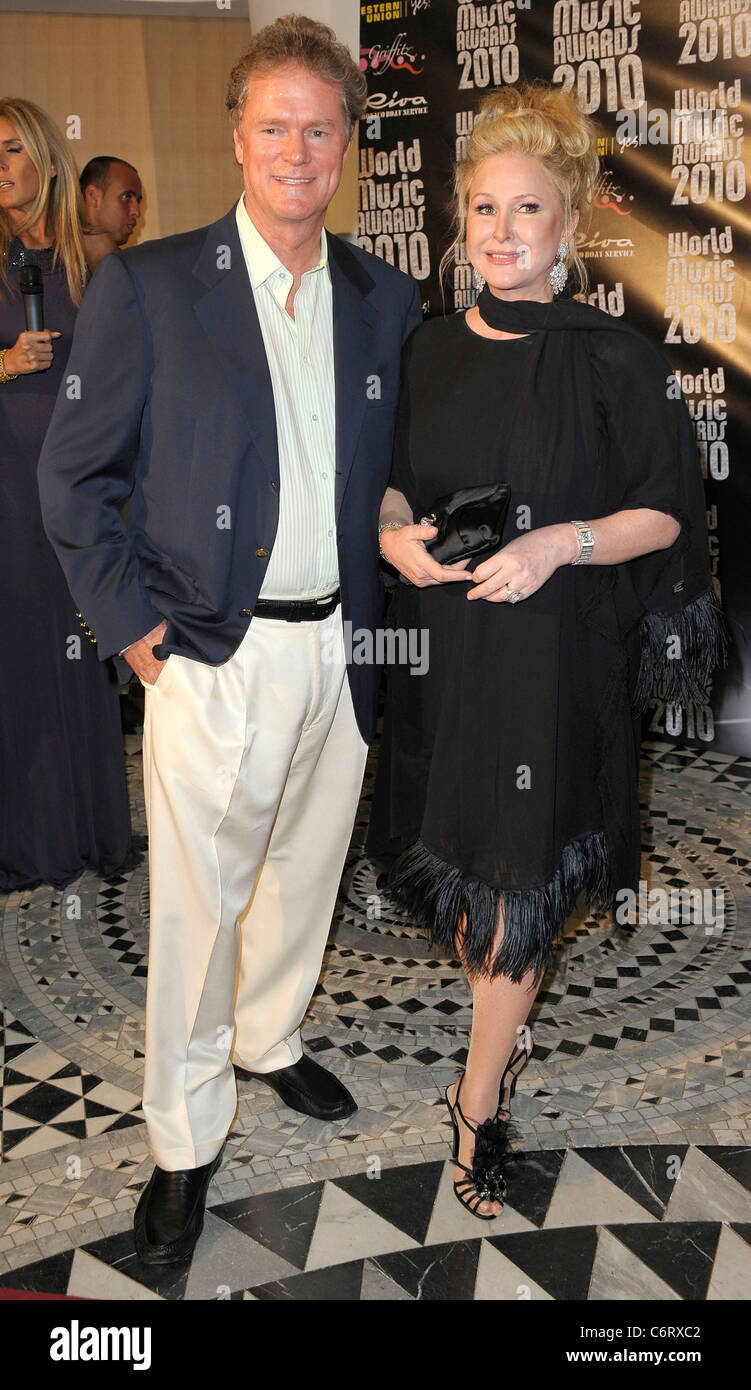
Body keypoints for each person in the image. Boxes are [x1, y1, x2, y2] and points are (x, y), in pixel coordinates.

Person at [38, 15, 421, 1265]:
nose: (298, 151)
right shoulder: (150, 287)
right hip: (212, 650)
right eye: (274, 128)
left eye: (321, 128)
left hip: (341, 653)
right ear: (237, 138)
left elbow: (380, 470)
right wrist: (137, 632)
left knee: (305, 874)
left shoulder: (383, 297)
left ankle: (270, 1039)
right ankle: (183, 1142)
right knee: (199, 914)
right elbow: (73, 478)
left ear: (349, 143)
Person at [369, 82, 725, 1220]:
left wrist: (560, 545)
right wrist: (391, 531)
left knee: (517, 894)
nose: (502, 233)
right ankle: (500, 1043)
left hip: (552, 656)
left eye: (528, 211)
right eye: (483, 210)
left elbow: (664, 513)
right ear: (461, 220)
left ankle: (477, 1098)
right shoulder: (427, 350)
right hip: (451, 656)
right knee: (470, 886)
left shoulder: (609, 359)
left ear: (570, 226)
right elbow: (398, 482)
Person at [0, 97, 136, 892]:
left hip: (79, 487)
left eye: (13, 148)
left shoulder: (95, 264)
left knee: (79, 650)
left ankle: (86, 831)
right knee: (20, 656)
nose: (2, 166)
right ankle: (27, 839)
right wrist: (7, 364)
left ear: (48, 159)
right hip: (7, 487)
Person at [79, 155, 143, 272]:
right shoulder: (52, 266)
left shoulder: (139, 271)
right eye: (127, 197)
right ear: (93, 197)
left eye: (138, 201)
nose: (136, 212)